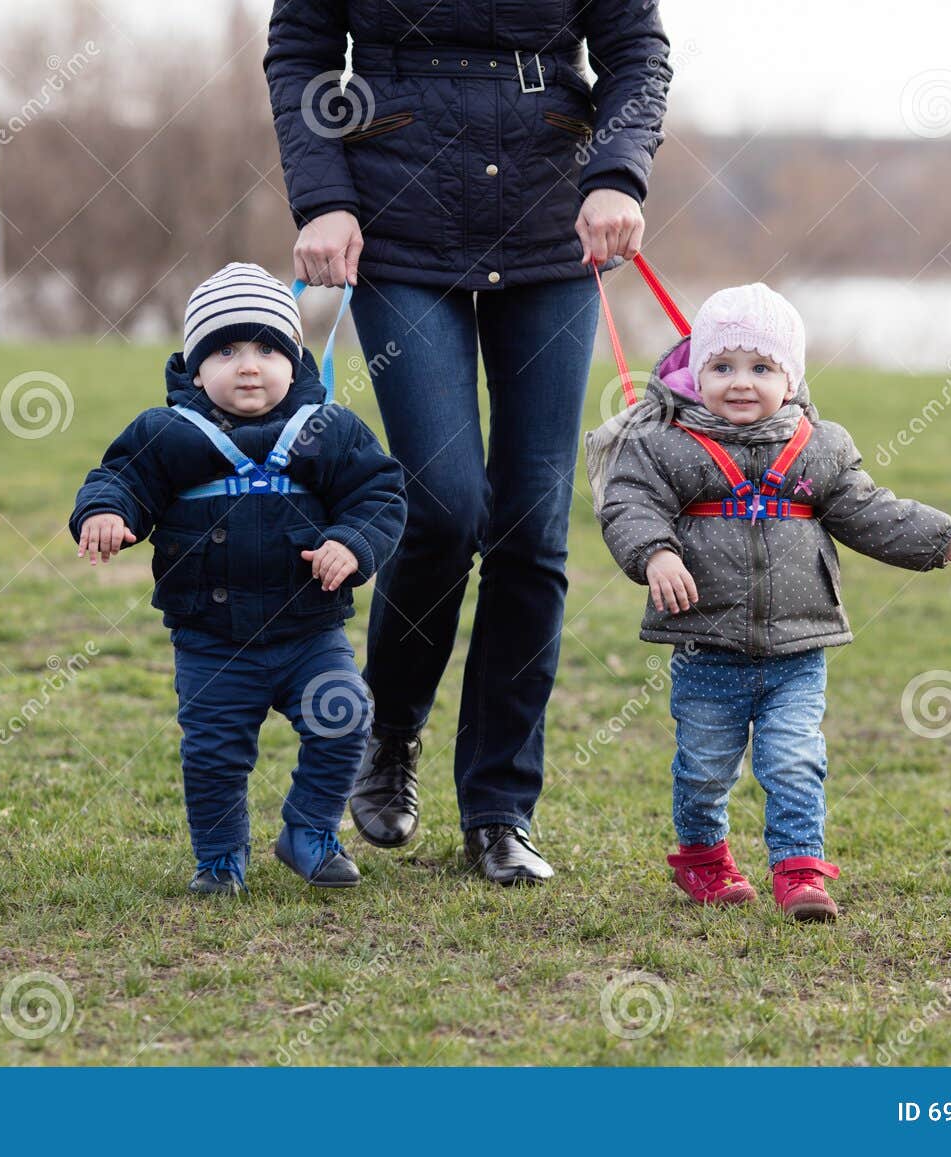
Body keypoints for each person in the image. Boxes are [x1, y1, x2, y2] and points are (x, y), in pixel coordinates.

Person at [264, 0, 672, 885]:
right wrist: (325, 198)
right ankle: (392, 730)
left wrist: (617, 176)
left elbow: (637, 51)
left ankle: (500, 809)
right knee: (443, 505)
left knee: (531, 527)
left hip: (549, 223)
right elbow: (299, 46)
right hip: (398, 221)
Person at [588, 283, 951, 919]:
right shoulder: (665, 442)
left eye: (761, 367)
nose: (741, 383)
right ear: (699, 372)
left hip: (798, 648)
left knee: (795, 761)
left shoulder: (819, 447)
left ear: (791, 376)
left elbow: (871, 512)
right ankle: (703, 861)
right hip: (708, 646)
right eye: (721, 367)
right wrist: (655, 552)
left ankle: (800, 872)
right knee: (703, 769)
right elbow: (627, 504)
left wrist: (946, 539)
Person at [68, 263, 406, 896]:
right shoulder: (166, 433)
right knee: (215, 755)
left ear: (296, 360)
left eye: (267, 349)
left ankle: (309, 829)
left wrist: (351, 543)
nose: (249, 366)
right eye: (226, 351)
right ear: (196, 369)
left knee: (345, 718)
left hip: (310, 630)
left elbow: (380, 495)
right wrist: (107, 512)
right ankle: (220, 858)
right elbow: (119, 478)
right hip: (212, 641)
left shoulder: (327, 431)